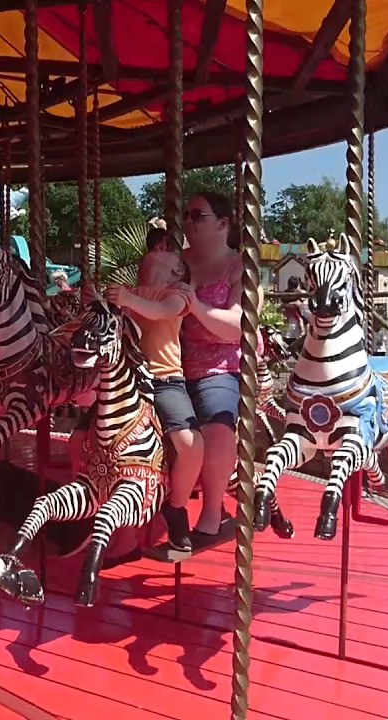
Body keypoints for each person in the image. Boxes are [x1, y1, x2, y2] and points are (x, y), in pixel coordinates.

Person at [106, 245, 203, 556]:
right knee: (82, 439)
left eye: (167, 251)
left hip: (163, 381)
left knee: (190, 444)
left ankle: (176, 508)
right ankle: (97, 513)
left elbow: (161, 313)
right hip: (125, 383)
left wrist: (126, 300)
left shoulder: (178, 293)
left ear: (177, 270)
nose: (158, 246)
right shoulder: (127, 292)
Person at [173, 191, 248, 540]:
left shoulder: (239, 268)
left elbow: (238, 328)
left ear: (222, 223)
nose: (189, 222)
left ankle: (212, 510)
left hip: (217, 366)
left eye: (197, 216)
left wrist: (197, 308)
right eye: (186, 215)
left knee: (217, 427)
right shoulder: (176, 261)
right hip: (170, 362)